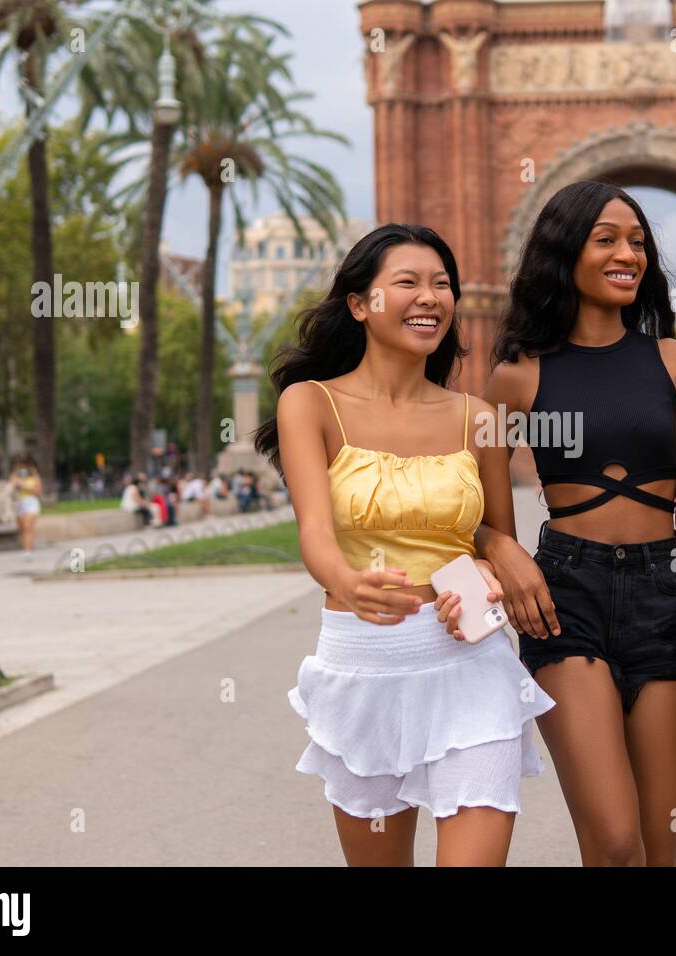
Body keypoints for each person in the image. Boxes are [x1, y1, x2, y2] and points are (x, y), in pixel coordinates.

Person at [253, 223, 555, 867]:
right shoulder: (309, 404)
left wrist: (490, 564)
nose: (430, 297)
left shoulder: (479, 416)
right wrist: (345, 580)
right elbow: (315, 533)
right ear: (359, 304)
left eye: (441, 284)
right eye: (408, 283)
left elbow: (494, 531)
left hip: (469, 665)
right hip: (363, 665)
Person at [478, 181, 676, 867]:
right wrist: (499, 548)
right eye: (607, 239)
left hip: (660, 599)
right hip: (567, 600)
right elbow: (480, 508)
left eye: (638, 241)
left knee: (661, 848)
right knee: (616, 841)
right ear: (566, 252)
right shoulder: (516, 377)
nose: (629, 253)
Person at [6, 456, 42, 559]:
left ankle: (27, 551)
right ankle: (28, 545)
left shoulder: (34, 478)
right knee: (22, 529)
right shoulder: (16, 477)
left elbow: (38, 491)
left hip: (31, 503)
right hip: (19, 504)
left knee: (27, 527)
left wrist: (23, 487)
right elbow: (10, 489)